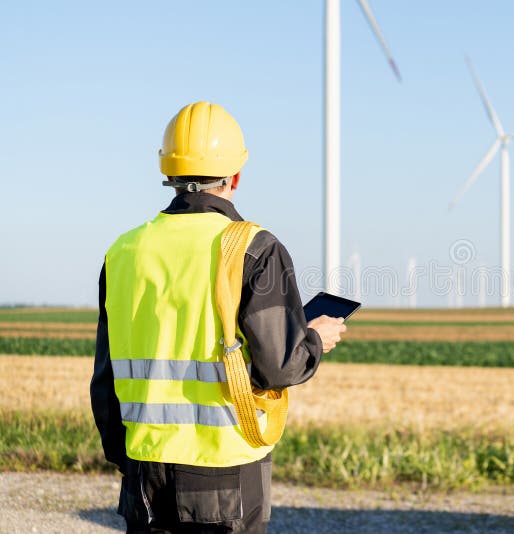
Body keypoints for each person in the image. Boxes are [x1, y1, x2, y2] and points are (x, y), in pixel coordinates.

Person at [90, 101, 346, 533]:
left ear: (168, 174)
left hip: (144, 469)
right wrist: (314, 338)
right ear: (236, 175)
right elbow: (277, 367)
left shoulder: (123, 252)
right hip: (224, 472)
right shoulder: (254, 248)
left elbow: (106, 375)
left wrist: (128, 460)